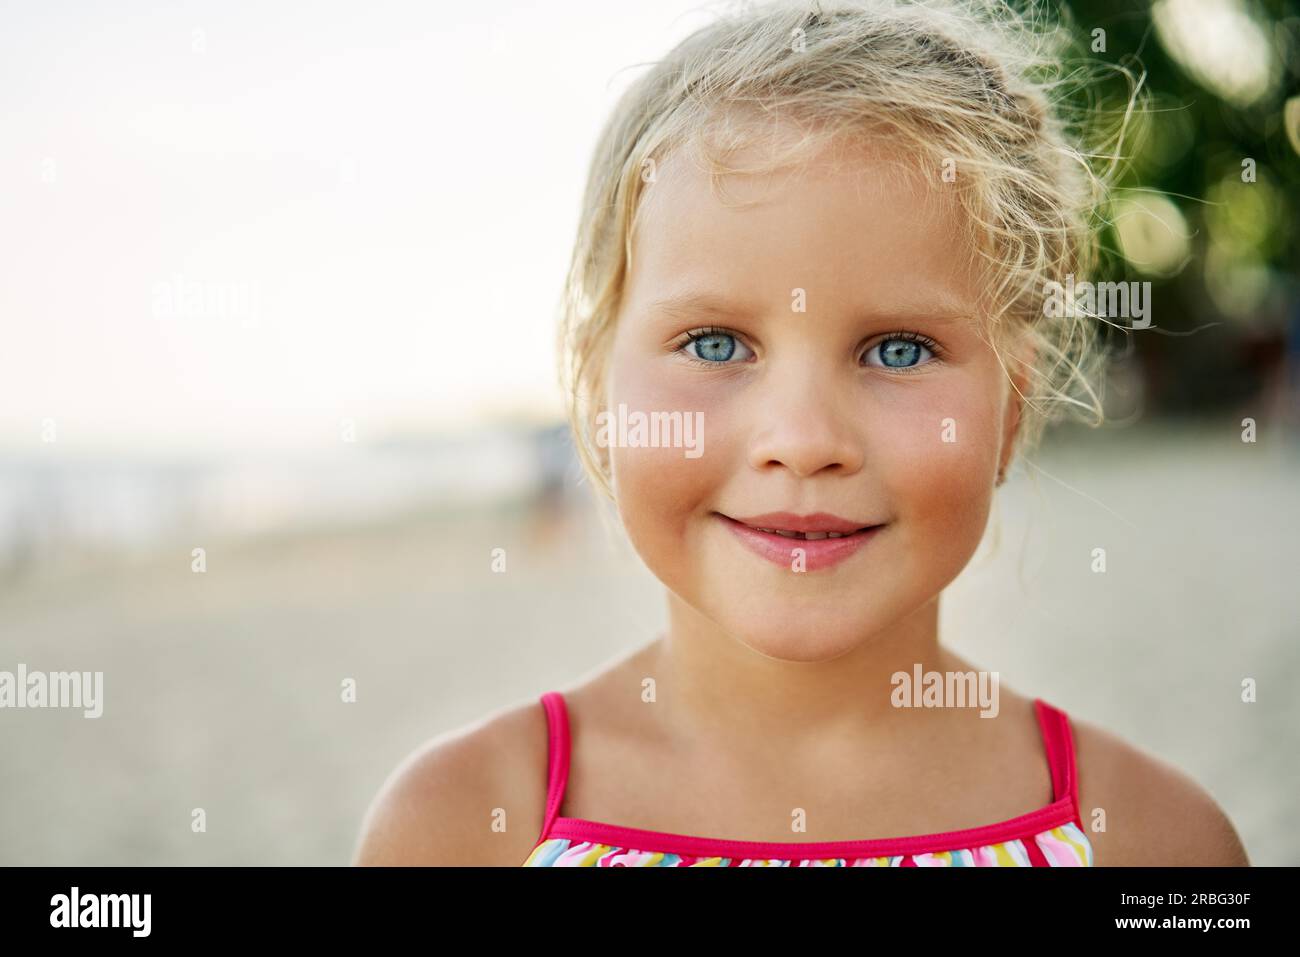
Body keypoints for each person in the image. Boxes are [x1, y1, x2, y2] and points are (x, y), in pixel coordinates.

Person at [354, 0, 1249, 866]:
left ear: (1011, 406)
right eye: (714, 343)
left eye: (898, 349)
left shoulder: (1150, 842)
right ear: (598, 387)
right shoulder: (465, 828)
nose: (804, 437)